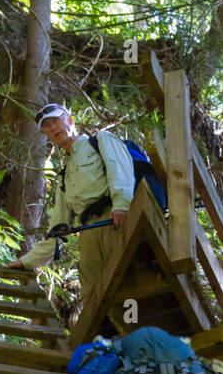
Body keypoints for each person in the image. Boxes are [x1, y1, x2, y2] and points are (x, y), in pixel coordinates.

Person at [7, 104, 135, 303]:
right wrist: (26, 262)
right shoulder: (64, 177)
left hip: (113, 219)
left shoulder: (100, 141)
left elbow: (120, 170)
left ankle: (135, 330)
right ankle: (104, 334)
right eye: (46, 127)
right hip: (88, 232)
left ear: (70, 120)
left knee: (124, 281)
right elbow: (57, 231)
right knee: (93, 293)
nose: (52, 128)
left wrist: (122, 206)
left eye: (56, 121)